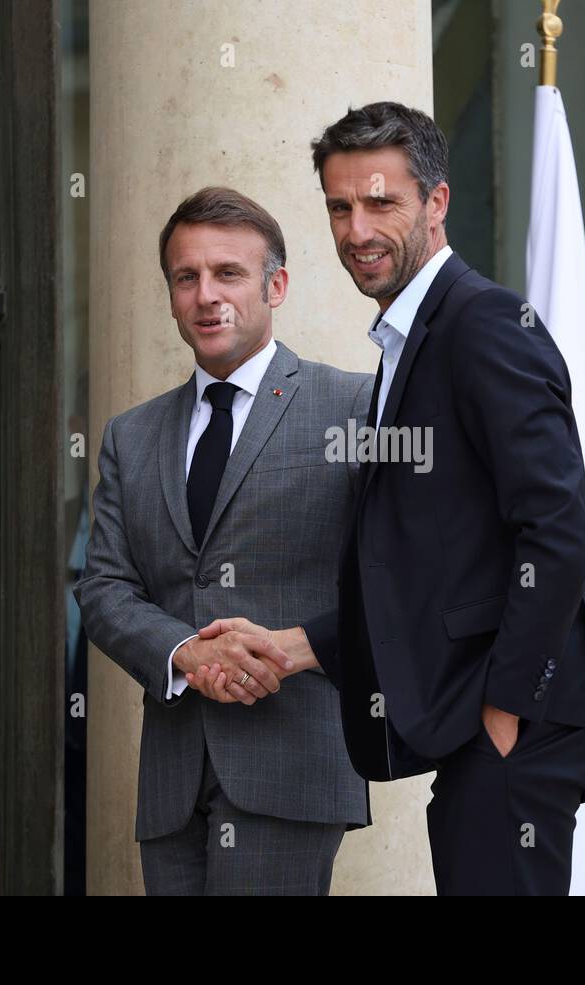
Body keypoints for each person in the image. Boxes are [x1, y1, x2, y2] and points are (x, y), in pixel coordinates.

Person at [199, 102, 585, 895]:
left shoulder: (485, 324)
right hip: (489, 725)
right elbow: (435, 562)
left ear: (436, 203)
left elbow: (556, 529)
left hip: (515, 721)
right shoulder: (411, 335)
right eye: (339, 207)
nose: (356, 228)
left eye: (380, 201)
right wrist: (297, 646)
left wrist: (503, 713)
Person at [74, 186, 370, 895]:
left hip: (290, 762)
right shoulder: (131, 435)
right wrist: (185, 651)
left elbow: (394, 575)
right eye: (187, 277)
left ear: (278, 285)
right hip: (173, 778)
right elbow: (103, 585)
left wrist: (297, 646)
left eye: (228, 273)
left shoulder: (355, 406)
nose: (207, 295)